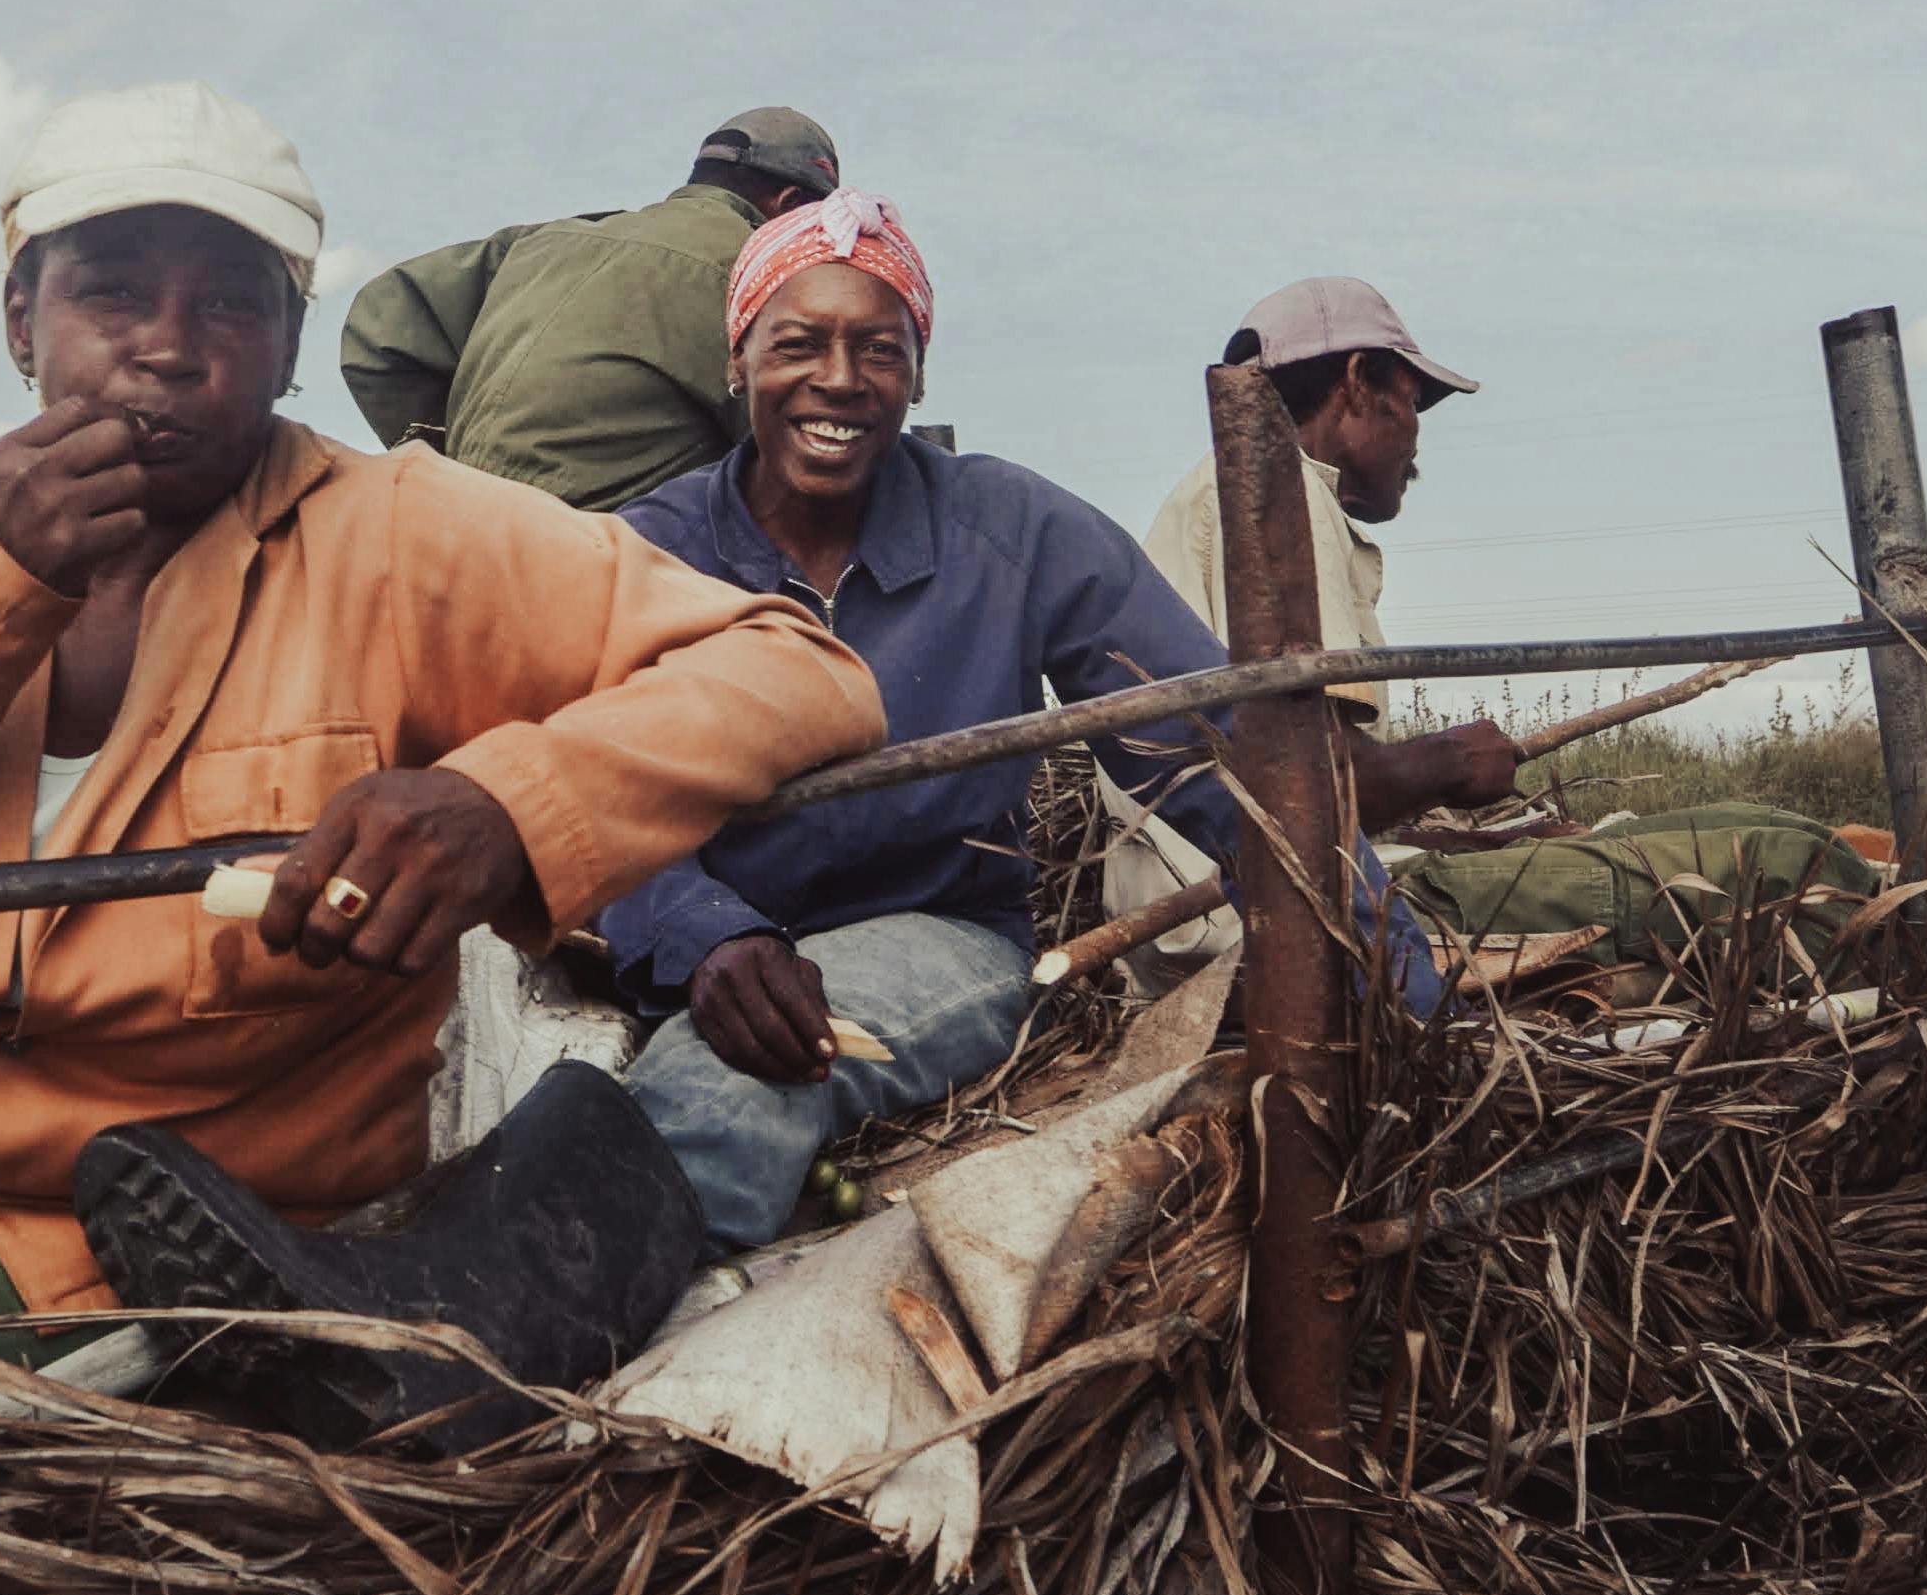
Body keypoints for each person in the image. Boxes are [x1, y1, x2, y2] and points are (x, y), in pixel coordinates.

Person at [0, 81, 883, 1550]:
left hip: (129, 1242)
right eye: (112, 291)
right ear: (19, 321)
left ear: (292, 342)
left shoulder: (402, 536)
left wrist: (509, 805)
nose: (168, 347)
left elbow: (791, 663)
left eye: (231, 304)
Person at [589, 193, 1432, 1252]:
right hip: (719, 935)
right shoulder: (646, 552)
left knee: (731, 1078)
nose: (838, 380)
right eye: (796, 343)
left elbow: (1211, 754)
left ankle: (541, 1345)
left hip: (937, 934)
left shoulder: (1011, 528)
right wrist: (704, 934)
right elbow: (582, 794)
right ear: (738, 359)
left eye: (879, 350)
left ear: (919, 374)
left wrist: (1396, 971)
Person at [1141, 277, 1520, 828]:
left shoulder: (1230, 487)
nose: (1415, 439)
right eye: (1411, 401)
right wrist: (1455, 761)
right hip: (1250, 903)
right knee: (1662, 855)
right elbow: (1316, 782)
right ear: (1358, 382)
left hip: (1237, 880)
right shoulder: (1279, 493)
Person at [336, 106, 843, 510]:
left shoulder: (546, 240)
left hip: (457, 539)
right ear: (789, 205)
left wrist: (454, 463)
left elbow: (380, 326)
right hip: (605, 579)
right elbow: (807, 461)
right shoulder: (756, 272)